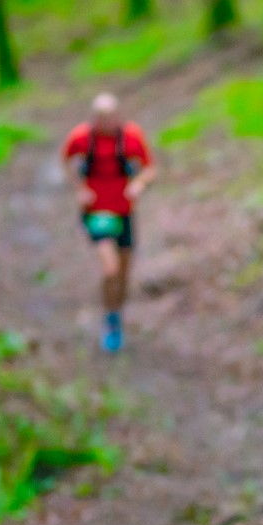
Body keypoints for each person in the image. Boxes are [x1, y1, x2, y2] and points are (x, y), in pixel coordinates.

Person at [61, 93, 157, 352]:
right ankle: (110, 319)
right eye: (101, 118)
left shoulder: (130, 137)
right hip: (96, 213)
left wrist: (138, 184)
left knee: (124, 272)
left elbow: (150, 168)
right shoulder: (81, 138)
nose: (106, 122)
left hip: (124, 212)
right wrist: (79, 189)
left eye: (111, 117)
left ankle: (116, 311)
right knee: (110, 268)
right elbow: (67, 161)